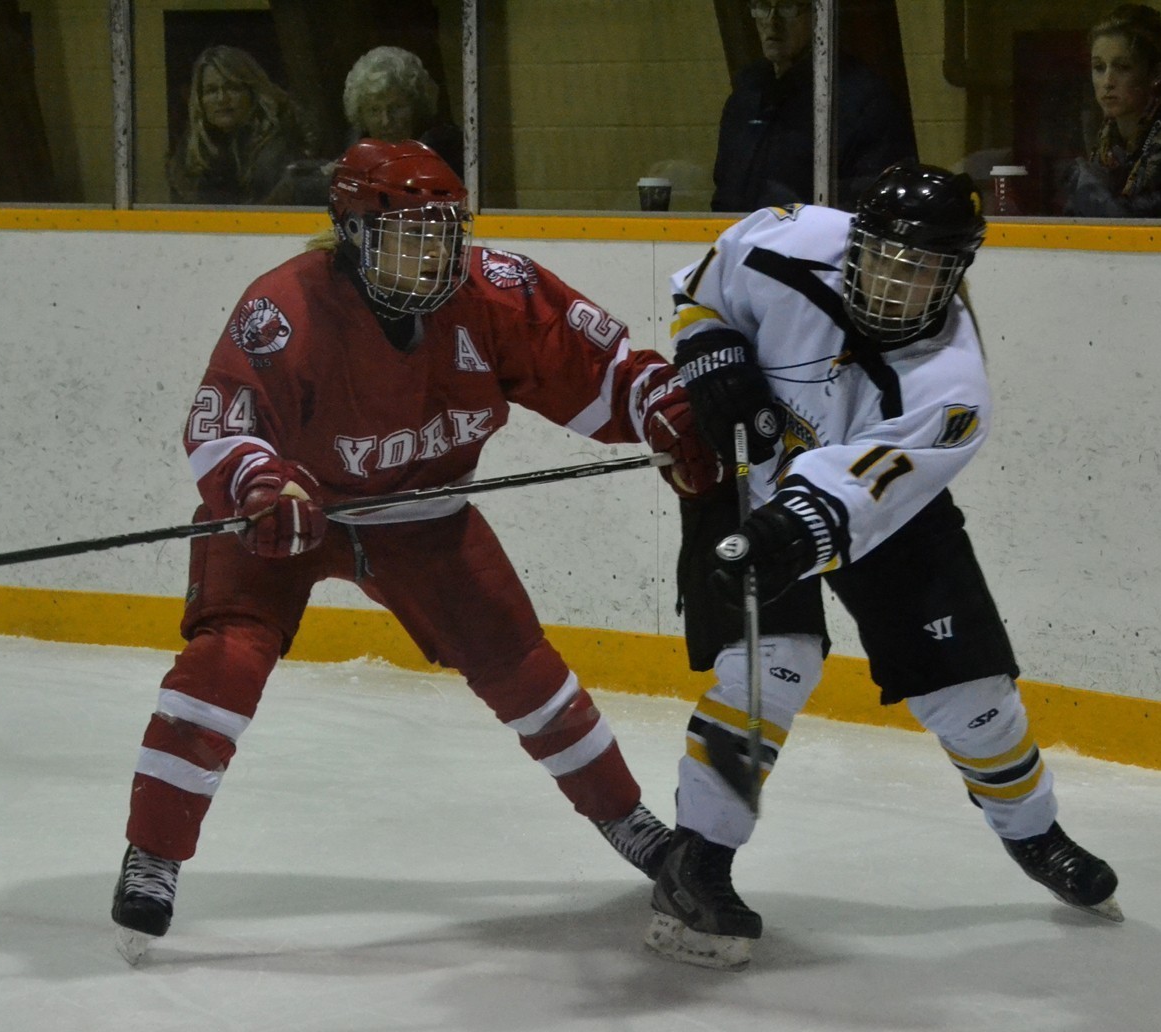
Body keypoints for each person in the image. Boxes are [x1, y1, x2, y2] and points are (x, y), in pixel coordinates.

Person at [111, 139, 723, 963]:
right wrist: (259, 489)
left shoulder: (497, 290)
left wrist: (662, 411)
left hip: (423, 516)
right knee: (224, 662)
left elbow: (603, 368)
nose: (435, 253)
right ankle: (153, 853)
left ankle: (625, 819)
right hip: (294, 517)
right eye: (410, 234)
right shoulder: (285, 305)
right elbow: (223, 425)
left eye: (445, 232)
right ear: (354, 233)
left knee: (524, 668)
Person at [644, 164, 1122, 971]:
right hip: (745, 478)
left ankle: (1034, 833)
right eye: (887, 260)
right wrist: (714, 350)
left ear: (958, 275)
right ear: (856, 241)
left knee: (973, 696)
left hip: (880, 510)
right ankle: (698, 860)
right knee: (771, 664)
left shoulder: (952, 385)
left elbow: (854, 498)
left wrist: (787, 529)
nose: (898, 285)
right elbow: (702, 288)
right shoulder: (788, 238)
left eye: (926, 272)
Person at [711, 0, 917, 212]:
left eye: (787, 8)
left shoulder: (861, 98)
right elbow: (725, 190)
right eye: (762, 6)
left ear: (818, 15)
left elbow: (868, 202)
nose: (771, 22)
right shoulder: (748, 92)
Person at [166, 45, 320, 205]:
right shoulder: (192, 157)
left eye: (232, 88)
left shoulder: (278, 152)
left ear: (253, 92)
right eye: (211, 91)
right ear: (200, 100)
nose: (222, 99)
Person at [1062, 5, 1161, 218]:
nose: (1107, 82)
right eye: (1099, 68)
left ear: (1155, 74)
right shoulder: (1104, 142)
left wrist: (1089, 194)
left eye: (1122, 67)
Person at [342, 46, 464, 175]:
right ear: (361, 114)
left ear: (417, 106)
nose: (386, 121)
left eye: (397, 108)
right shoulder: (354, 160)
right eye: (374, 110)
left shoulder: (446, 154)